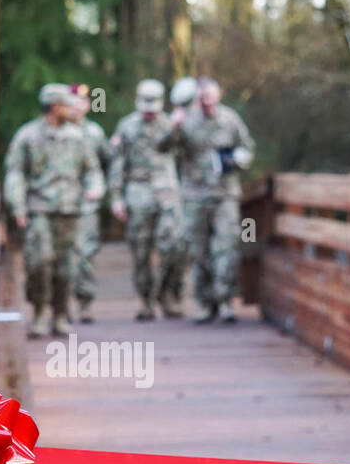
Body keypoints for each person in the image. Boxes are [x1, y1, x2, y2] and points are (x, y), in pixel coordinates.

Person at [4, 83, 104, 338]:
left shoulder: (79, 136)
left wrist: (94, 189)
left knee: (65, 266)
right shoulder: (28, 135)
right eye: (66, 105)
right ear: (55, 107)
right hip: (39, 208)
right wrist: (17, 205)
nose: (72, 109)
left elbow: (92, 169)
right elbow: (15, 173)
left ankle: (59, 315)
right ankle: (38, 312)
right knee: (38, 261)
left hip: (70, 209)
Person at [157, 77, 256, 323]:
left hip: (225, 195)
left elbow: (248, 147)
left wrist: (238, 158)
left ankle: (225, 302)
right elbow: (162, 149)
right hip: (194, 195)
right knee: (198, 251)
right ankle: (205, 303)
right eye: (203, 99)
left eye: (211, 98)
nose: (207, 104)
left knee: (226, 247)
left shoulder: (230, 119)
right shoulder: (186, 120)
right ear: (197, 99)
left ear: (219, 96)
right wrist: (174, 127)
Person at [108, 78, 185, 320]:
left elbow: (190, 155)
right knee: (140, 250)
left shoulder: (172, 124)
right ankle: (145, 301)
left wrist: (178, 126)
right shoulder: (127, 126)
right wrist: (116, 197)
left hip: (167, 191)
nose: (149, 113)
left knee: (174, 245)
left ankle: (167, 293)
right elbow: (117, 163)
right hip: (138, 191)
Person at [67, 84, 112, 324]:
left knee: (85, 253)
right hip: (58, 204)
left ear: (87, 105)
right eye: (72, 101)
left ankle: (85, 304)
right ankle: (60, 305)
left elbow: (108, 161)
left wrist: (100, 188)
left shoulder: (94, 132)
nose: (77, 106)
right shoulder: (55, 130)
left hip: (86, 204)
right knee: (62, 255)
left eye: (81, 102)